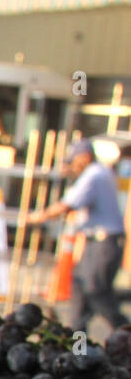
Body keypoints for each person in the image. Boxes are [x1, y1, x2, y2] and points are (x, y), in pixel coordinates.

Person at [27, 138, 128, 333]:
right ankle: (78, 349)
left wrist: (40, 216)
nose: (73, 165)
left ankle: (125, 334)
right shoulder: (98, 174)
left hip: (103, 243)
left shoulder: (94, 175)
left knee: (95, 292)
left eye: (75, 161)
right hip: (97, 243)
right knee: (80, 297)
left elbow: (68, 204)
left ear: (85, 157)